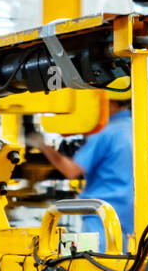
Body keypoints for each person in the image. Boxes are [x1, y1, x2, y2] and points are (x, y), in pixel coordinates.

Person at [33, 89, 135, 247]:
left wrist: (41, 144)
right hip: (129, 215)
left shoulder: (107, 133)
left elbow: (72, 170)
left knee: (97, 266)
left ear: (110, 103)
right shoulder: (136, 130)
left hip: (100, 215)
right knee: (125, 266)